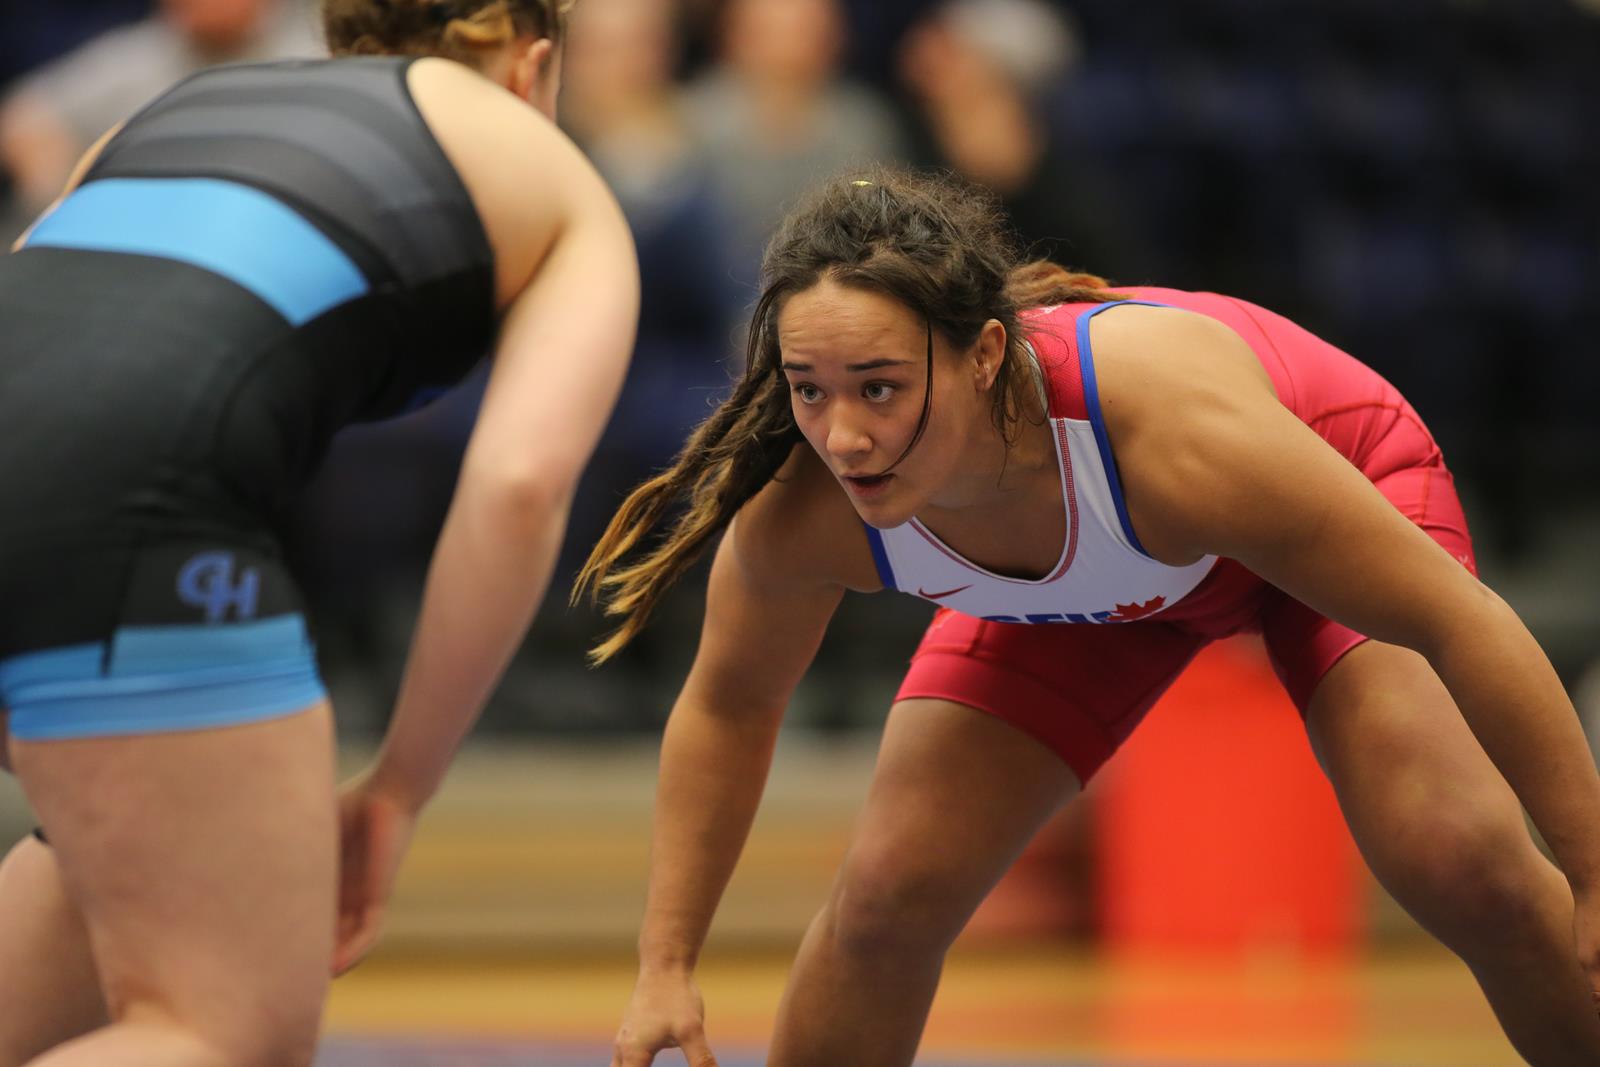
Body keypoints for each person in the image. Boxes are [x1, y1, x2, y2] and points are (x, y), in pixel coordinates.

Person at [577, 167, 1600, 1067]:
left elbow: (1460, 620)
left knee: (1457, 854)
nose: (842, 436)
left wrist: (1592, 867)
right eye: (809, 390)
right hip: (1101, 583)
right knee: (890, 891)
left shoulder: (1170, 430)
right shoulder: (805, 513)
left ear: (982, 356)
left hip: (1307, 495)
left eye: (880, 388)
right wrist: (665, 962)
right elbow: (728, 702)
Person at [0, 1, 638, 1064]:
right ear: (533, 65)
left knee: (100, 865)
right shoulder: (540, 157)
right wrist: (402, 780)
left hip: (51, 472)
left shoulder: (175, 106)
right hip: (133, 495)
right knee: (220, 1029)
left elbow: (39, 319)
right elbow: (519, 483)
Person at [0, 0, 320, 233]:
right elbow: (26, 115)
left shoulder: (313, 58)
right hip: (134, 235)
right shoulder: (136, 57)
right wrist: (59, 196)